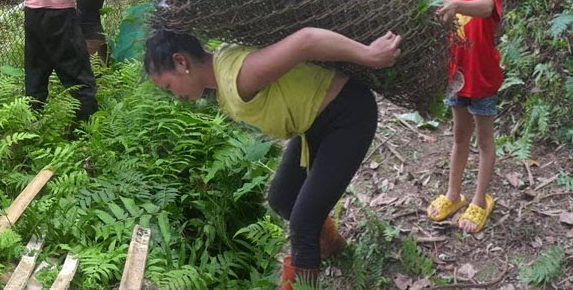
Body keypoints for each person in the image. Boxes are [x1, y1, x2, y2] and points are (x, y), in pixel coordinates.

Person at [144, 27, 402, 288]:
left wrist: (369, 54)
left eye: (168, 85)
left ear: (181, 61)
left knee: (304, 224)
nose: (174, 94)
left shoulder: (238, 76)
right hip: (313, 123)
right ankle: (334, 248)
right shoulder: (222, 74)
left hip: (347, 115)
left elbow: (306, 41)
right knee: (283, 198)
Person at [426, 0, 505, 234]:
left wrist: (457, 5)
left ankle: (478, 200)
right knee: (459, 137)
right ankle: (453, 194)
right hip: (456, 76)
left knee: (484, 141)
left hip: (482, 77)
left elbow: (487, 7)